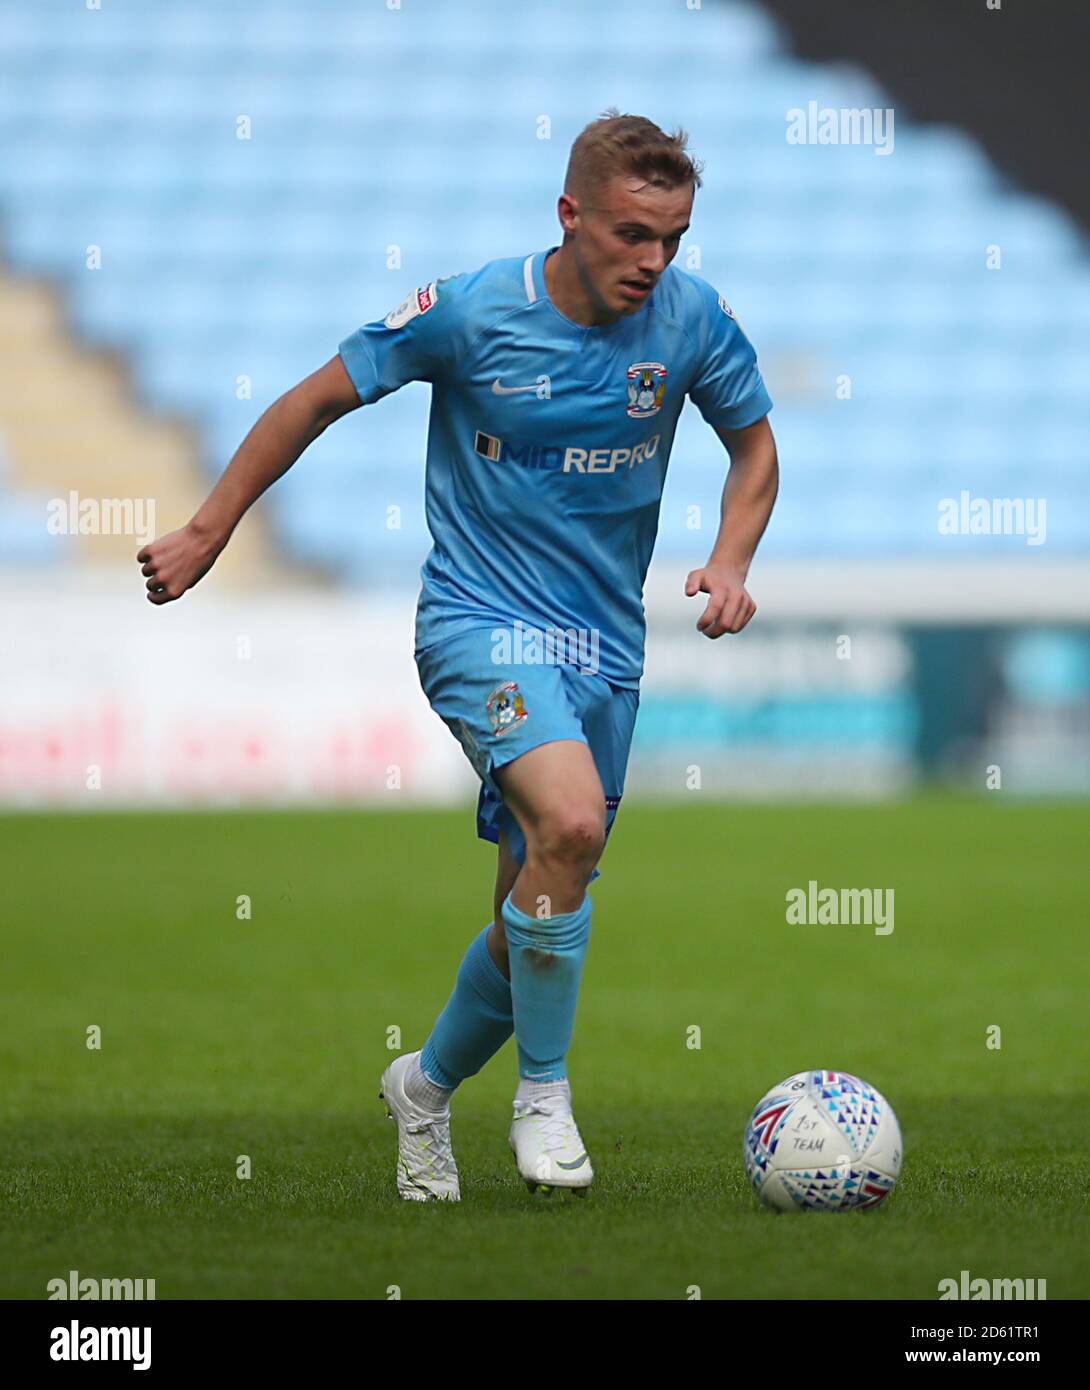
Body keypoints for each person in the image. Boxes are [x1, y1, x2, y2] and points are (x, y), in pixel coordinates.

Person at [136, 108, 779, 1202]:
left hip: (602, 645)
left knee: (533, 901)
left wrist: (729, 555)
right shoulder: (471, 311)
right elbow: (315, 397)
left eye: (671, 237)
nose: (651, 260)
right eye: (630, 233)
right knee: (570, 823)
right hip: (478, 622)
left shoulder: (693, 321)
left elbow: (753, 441)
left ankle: (423, 1092)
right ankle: (544, 1099)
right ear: (570, 214)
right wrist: (208, 527)